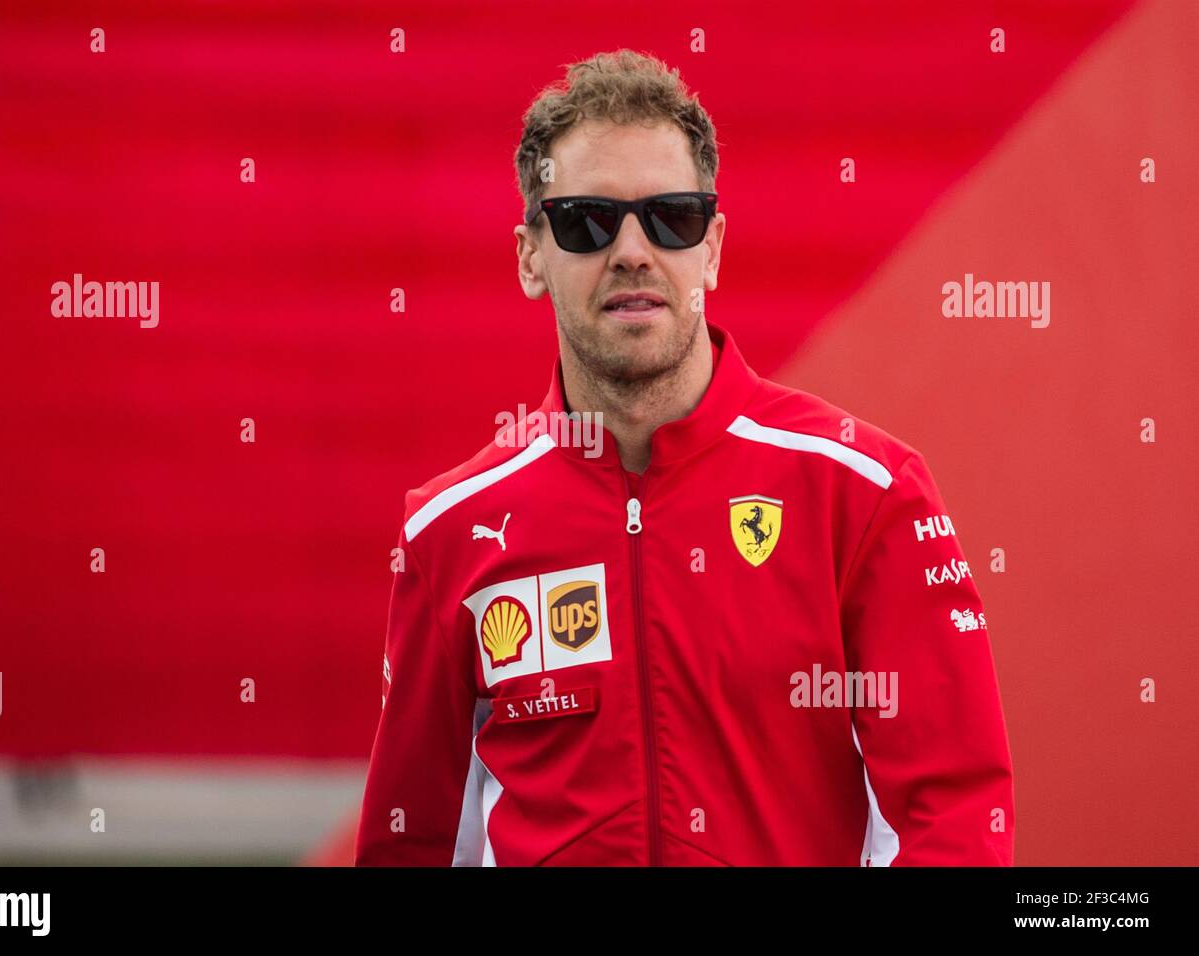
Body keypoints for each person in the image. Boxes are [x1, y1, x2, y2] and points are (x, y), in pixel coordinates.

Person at [354, 49, 1014, 866]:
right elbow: (410, 843)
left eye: (672, 217)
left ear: (712, 247)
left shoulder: (867, 493)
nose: (633, 250)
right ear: (530, 255)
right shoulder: (450, 528)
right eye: (587, 221)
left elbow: (952, 822)